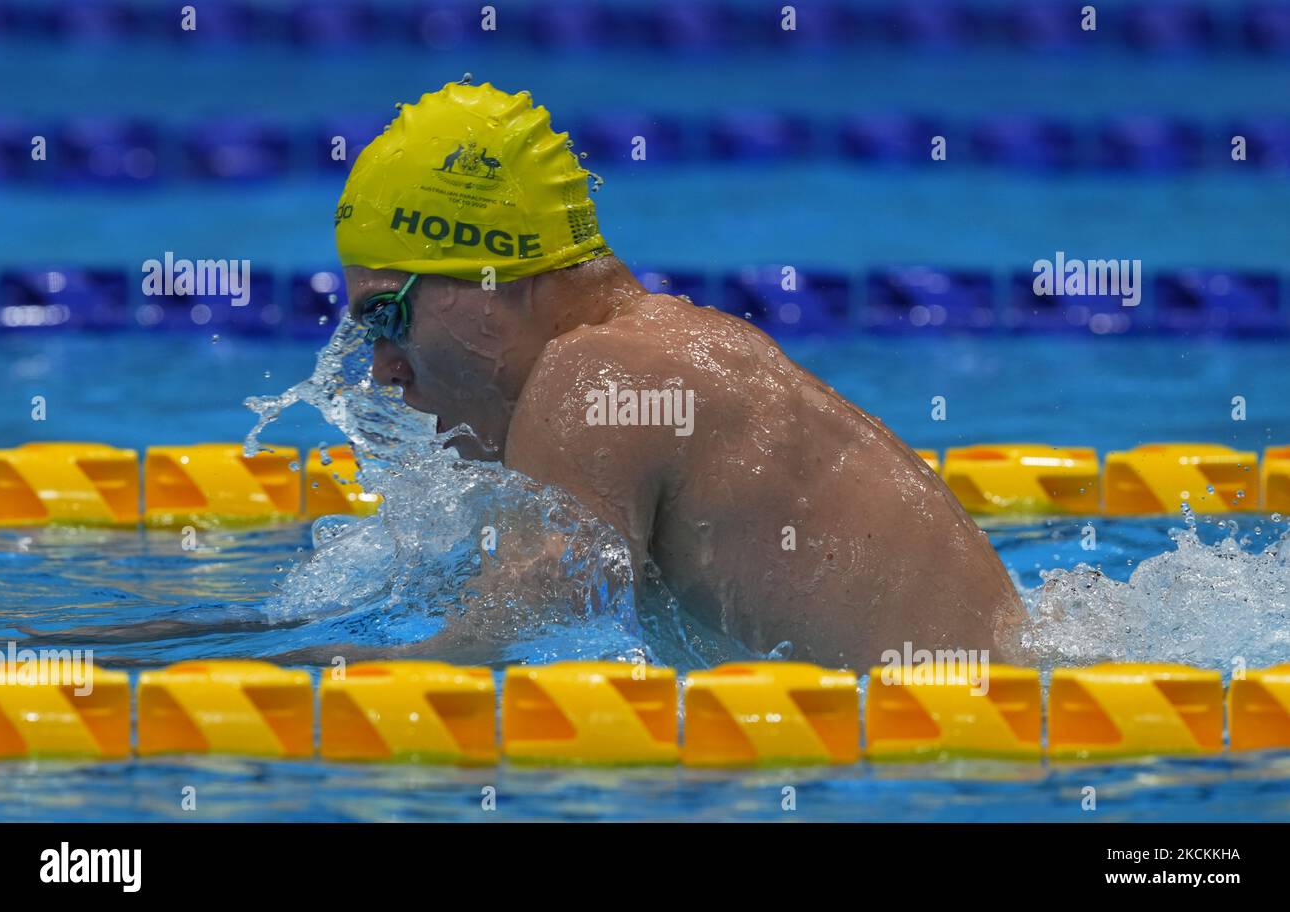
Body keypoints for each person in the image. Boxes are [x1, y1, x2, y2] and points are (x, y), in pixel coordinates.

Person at [335, 81, 1025, 669]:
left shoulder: (594, 379)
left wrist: (245, 661)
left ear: (499, 282)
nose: (384, 370)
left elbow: (509, 649)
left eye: (389, 315)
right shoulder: (668, 350)